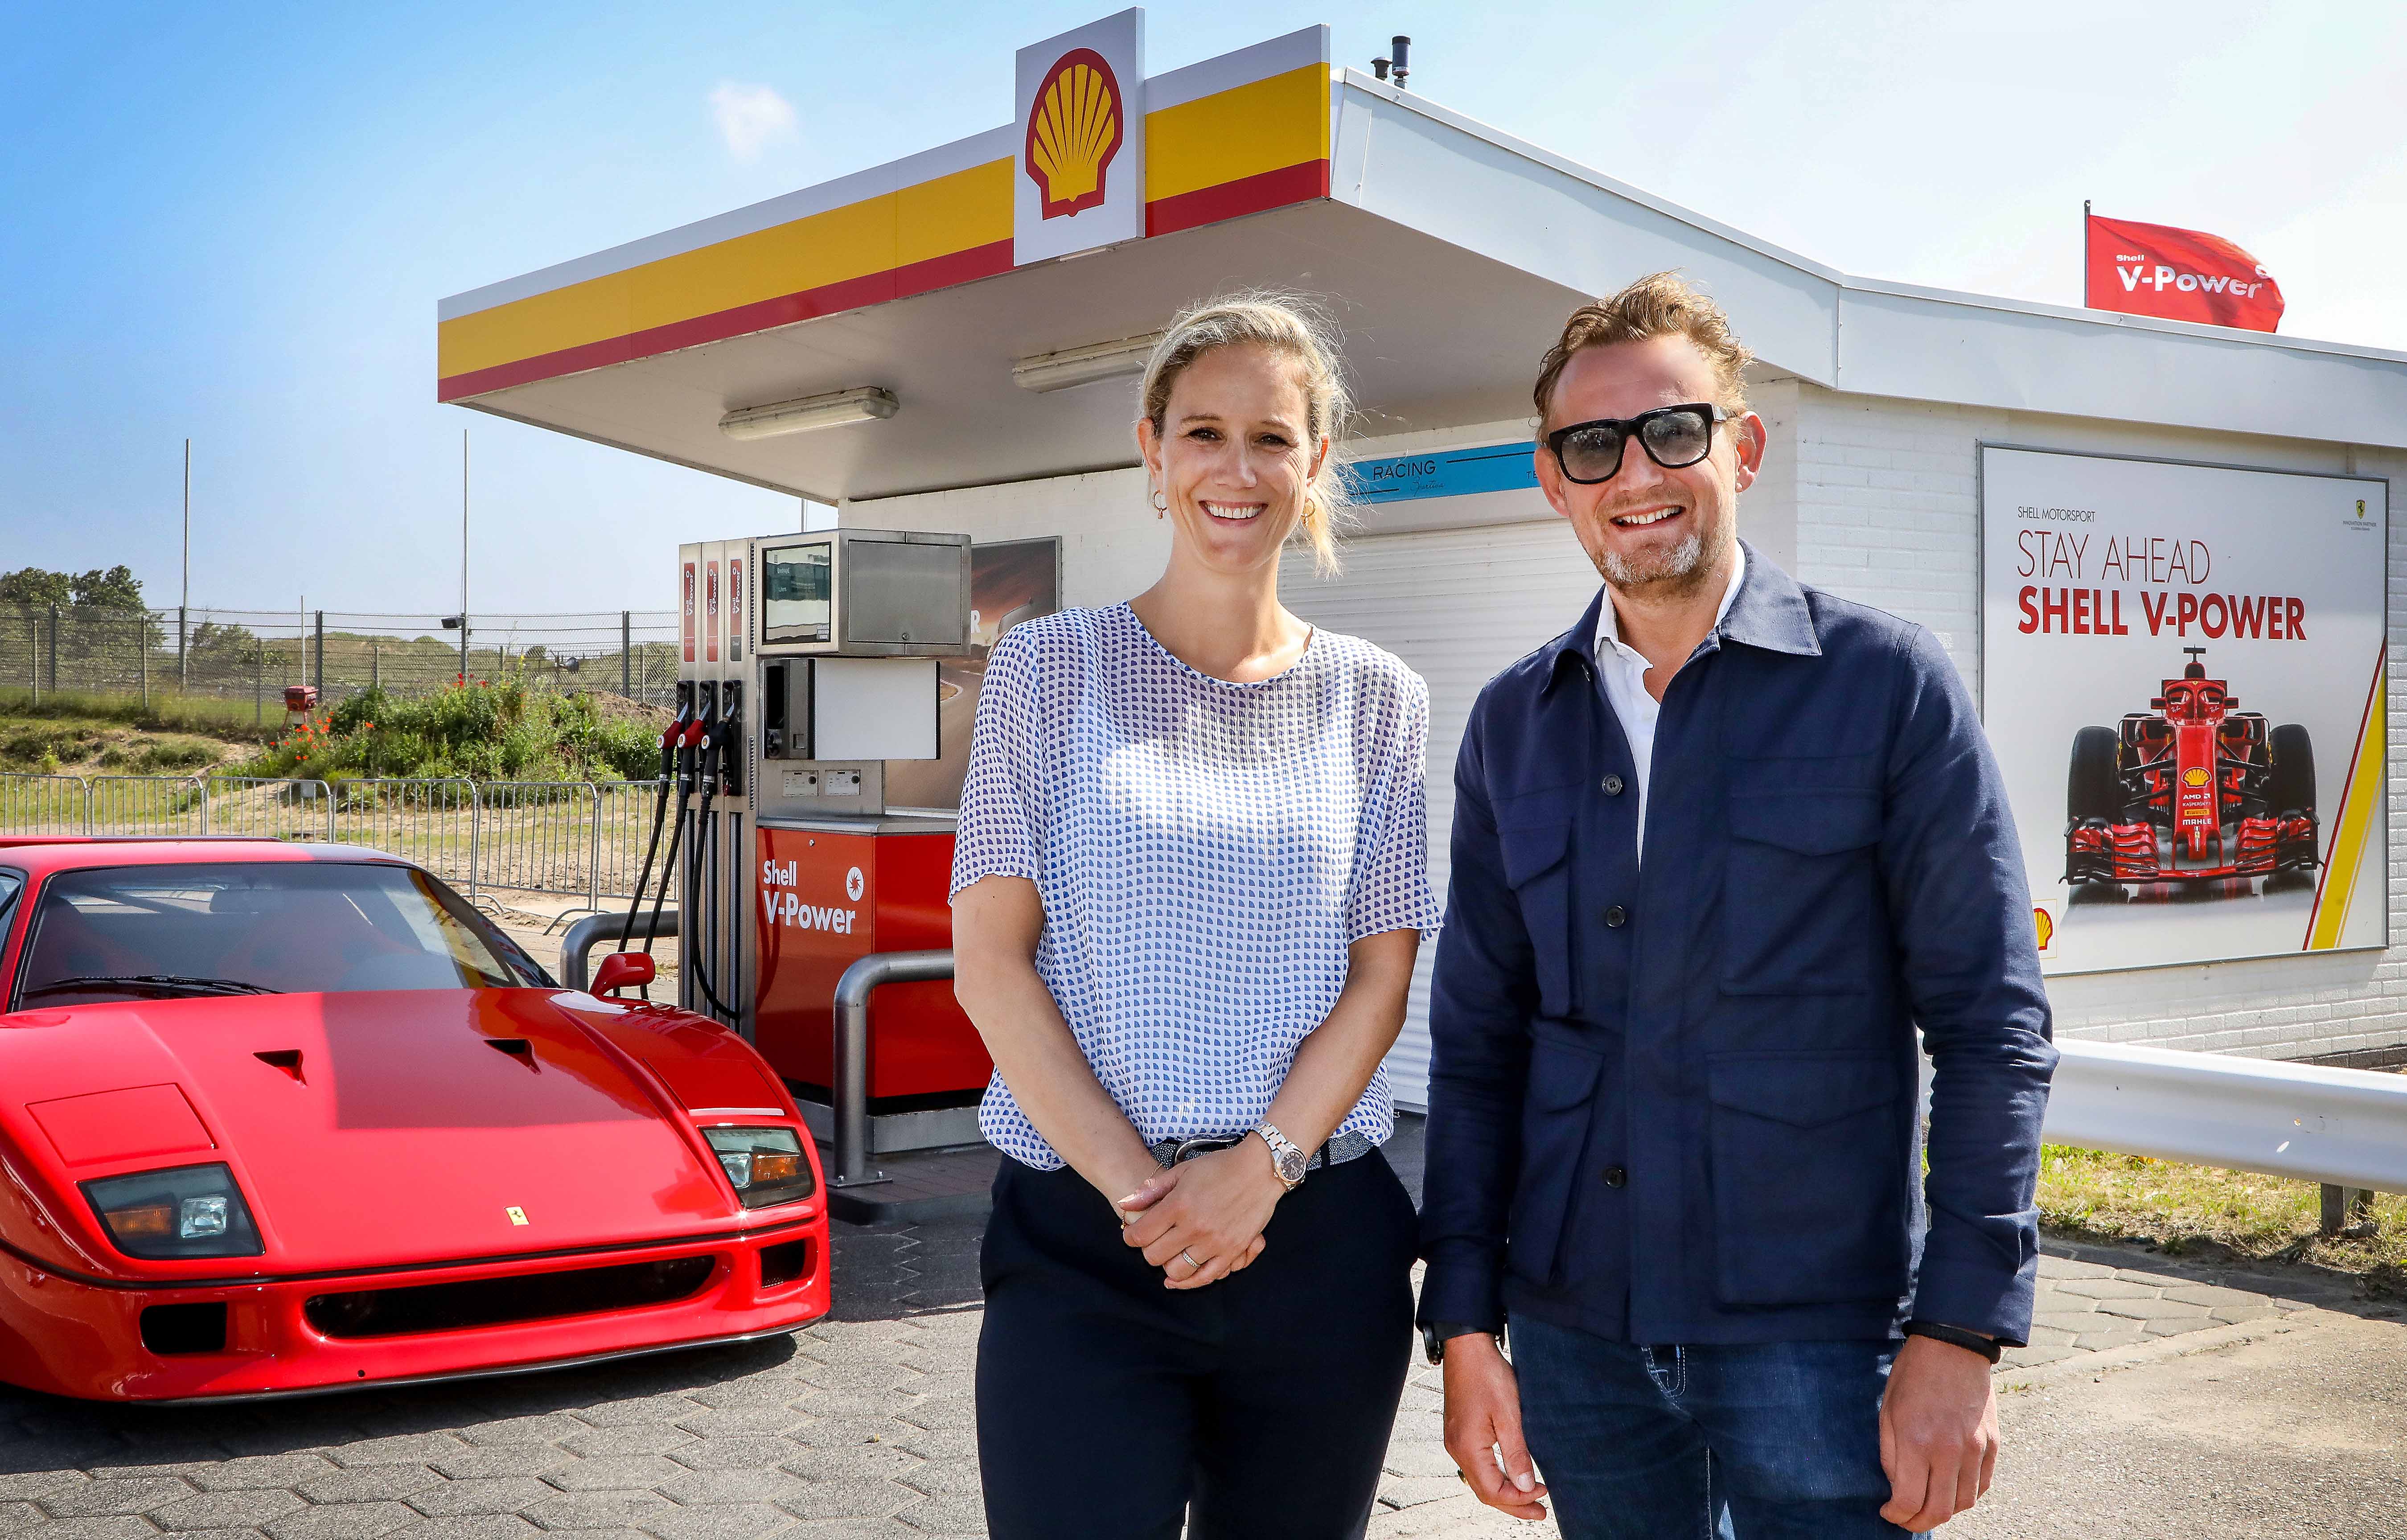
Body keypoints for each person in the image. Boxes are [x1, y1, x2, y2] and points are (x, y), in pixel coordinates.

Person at [1418, 272, 2058, 1538]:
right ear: (1554, 481)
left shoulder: (1885, 685)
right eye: (1591, 447)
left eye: (1674, 430)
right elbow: (1478, 1050)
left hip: (1816, 1341)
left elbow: (1991, 1025)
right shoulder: (1512, 723)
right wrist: (1465, 1325)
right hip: (1576, 1339)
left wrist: (1960, 1329)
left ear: (1742, 448)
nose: (1635, 473)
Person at [951, 293, 1442, 1540]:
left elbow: (1379, 986)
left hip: (1316, 1241)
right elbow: (993, 970)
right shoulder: (1044, 669)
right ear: (1153, 453)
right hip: (1086, 1244)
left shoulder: (1377, 700)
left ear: (1316, 463)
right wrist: (1145, 1196)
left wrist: (1259, 1173)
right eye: (1204, 433)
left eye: (1273, 439)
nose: (1238, 469)